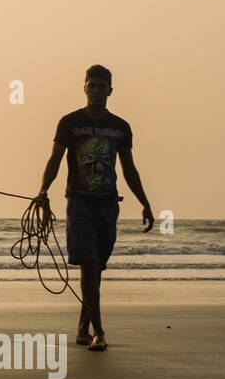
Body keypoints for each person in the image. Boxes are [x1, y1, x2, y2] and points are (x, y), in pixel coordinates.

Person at [37, 65, 152, 352]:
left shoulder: (120, 127)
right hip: (79, 202)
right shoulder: (69, 123)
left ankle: (81, 329)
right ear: (85, 88)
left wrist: (145, 202)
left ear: (111, 90)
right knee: (88, 265)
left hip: (108, 203)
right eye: (93, 85)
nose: (98, 90)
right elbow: (55, 160)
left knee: (97, 267)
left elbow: (129, 169)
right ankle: (99, 331)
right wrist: (43, 190)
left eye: (103, 86)